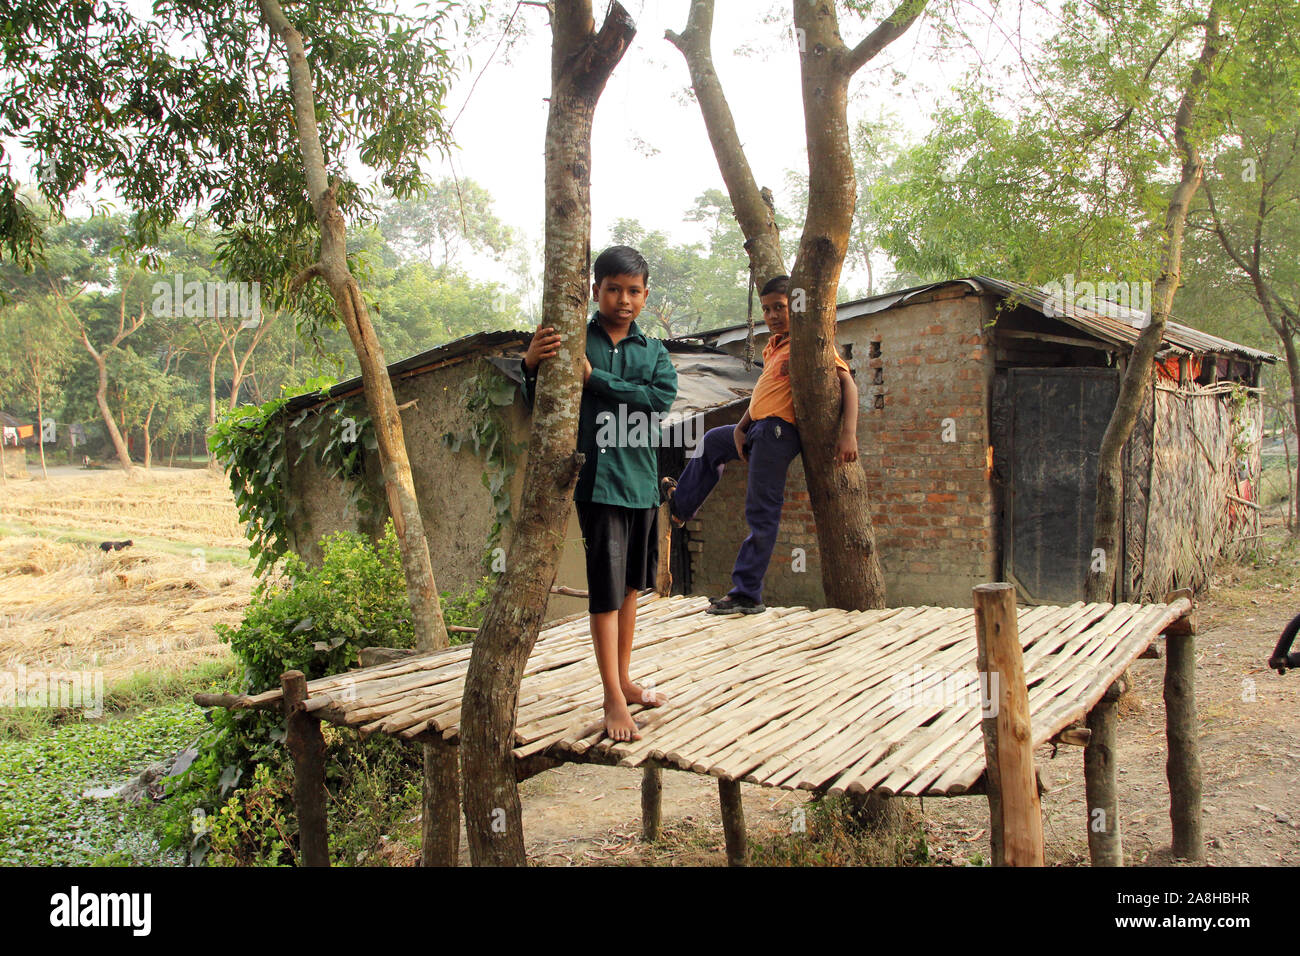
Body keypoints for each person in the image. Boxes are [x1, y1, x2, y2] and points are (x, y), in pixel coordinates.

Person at [521, 245, 678, 742]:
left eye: (633, 291)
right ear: (595, 290)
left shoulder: (654, 351)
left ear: (646, 296)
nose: (623, 299)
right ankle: (612, 696)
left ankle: (625, 680)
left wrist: (598, 380)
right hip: (599, 484)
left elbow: (658, 400)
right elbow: (542, 403)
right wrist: (529, 364)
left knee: (631, 588)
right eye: (613, 289)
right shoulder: (572, 342)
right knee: (606, 595)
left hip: (641, 484)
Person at [663, 275, 859, 615]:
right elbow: (761, 397)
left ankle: (747, 593)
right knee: (712, 441)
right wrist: (739, 428)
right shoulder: (773, 348)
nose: (772, 315)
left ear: (795, 308)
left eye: (779, 308)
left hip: (779, 434)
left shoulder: (811, 344)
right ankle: (681, 507)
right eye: (767, 309)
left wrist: (848, 434)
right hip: (756, 429)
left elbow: (848, 384)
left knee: (760, 511)